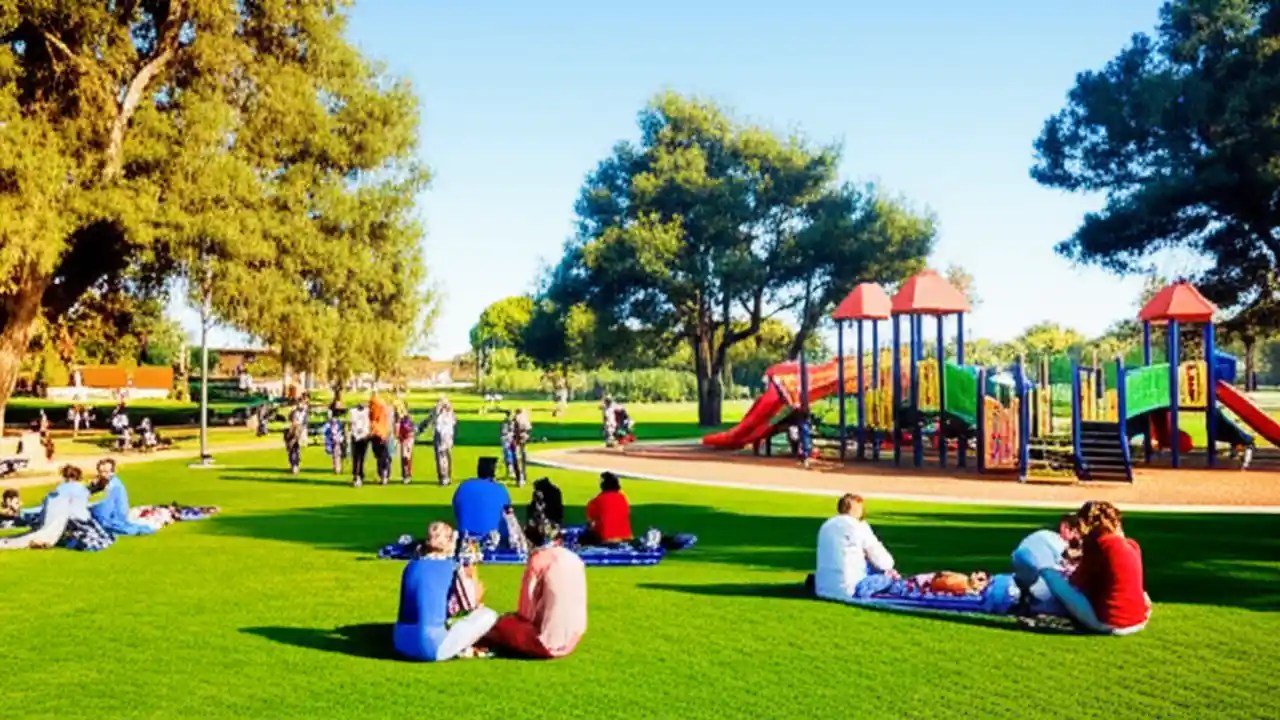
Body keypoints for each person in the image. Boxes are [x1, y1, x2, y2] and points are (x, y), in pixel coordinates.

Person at [393, 521, 499, 662]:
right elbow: (469, 605)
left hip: (401, 643)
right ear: (449, 543)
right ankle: (465, 648)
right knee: (489, 615)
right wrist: (474, 581)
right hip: (432, 648)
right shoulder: (452, 567)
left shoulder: (410, 566)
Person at [1040, 501, 1151, 635]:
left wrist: (1067, 574)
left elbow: (1079, 582)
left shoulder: (1097, 543)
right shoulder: (1132, 545)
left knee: (1049, 574)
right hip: (1140, 620)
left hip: (1111, 623)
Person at [483, 522, 588, 659]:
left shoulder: (537, 560)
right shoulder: (574, 558)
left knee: (500, 625)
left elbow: (525, 613)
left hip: (545, 643)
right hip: (574, 638)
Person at [813, 493, 898, 601]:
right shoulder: (859, 526)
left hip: (822, 589)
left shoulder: (826, 526)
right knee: (889, 577)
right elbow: (884, 562)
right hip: (851, 589)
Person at [0, 465, 92, 550]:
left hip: (64, 523)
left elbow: (47, 509)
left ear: (65, 476)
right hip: (81, 522)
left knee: (30, 534)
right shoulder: (83, 490)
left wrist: (22, 512)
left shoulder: (60, 490)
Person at [1010, 513, 1082, 614]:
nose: (1078, 537)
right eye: (1076, 532)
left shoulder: (1045, 535)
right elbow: (1069, 557)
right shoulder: (1054, 539)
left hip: (1029, 573)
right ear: (1064, 527)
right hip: (1033, 573)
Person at [89, 459, 155, 536]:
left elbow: (104, 509)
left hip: (115, 516)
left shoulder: (113, 486)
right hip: (111, 514)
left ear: (113, 472)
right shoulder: (103, 482)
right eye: (101, 472)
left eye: (106, 472)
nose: (103, 474)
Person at [452, 457, 512, 539]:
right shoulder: (500, 490)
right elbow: (507, 514)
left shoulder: (464, 486)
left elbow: (456, 508)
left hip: (466, 537)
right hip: (494, 538)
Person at [584, 472, 633, 545]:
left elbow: (590, 522)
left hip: (607, 540)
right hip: (627, 539)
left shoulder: (596, 501)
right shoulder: (622, 498)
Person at [368, 390, 392, 485]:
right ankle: (384, 475)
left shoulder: (375, 406)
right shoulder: (382, 406)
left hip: (377, 433)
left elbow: (373, 420)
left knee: (380, 456)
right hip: (381, 433)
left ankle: (383, 475)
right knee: (383, 456)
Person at [432, 397, 456, 486]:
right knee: (442, 458)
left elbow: (452, 423)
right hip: (443, 436)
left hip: (445, 437)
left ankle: (445, 477)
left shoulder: (449, 414)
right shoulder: (439, 413)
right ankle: (444, 477)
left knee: (444, 457)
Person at [348, 403, 371, 488]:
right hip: (355, 437)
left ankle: (360, 475)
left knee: (362, 458)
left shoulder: (367, 411)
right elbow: (350, 424)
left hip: (364, 437)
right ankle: (356, 476)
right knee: (356, 457)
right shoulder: (352, 412)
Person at [396, 411, 416, 484]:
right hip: (404, 440)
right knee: (404, 458)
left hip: (409, 441)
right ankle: (405, 475)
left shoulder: (409, 420)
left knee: (407, 458)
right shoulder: (401, 420)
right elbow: (398, 432)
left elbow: (412, 431)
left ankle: (407, 475)